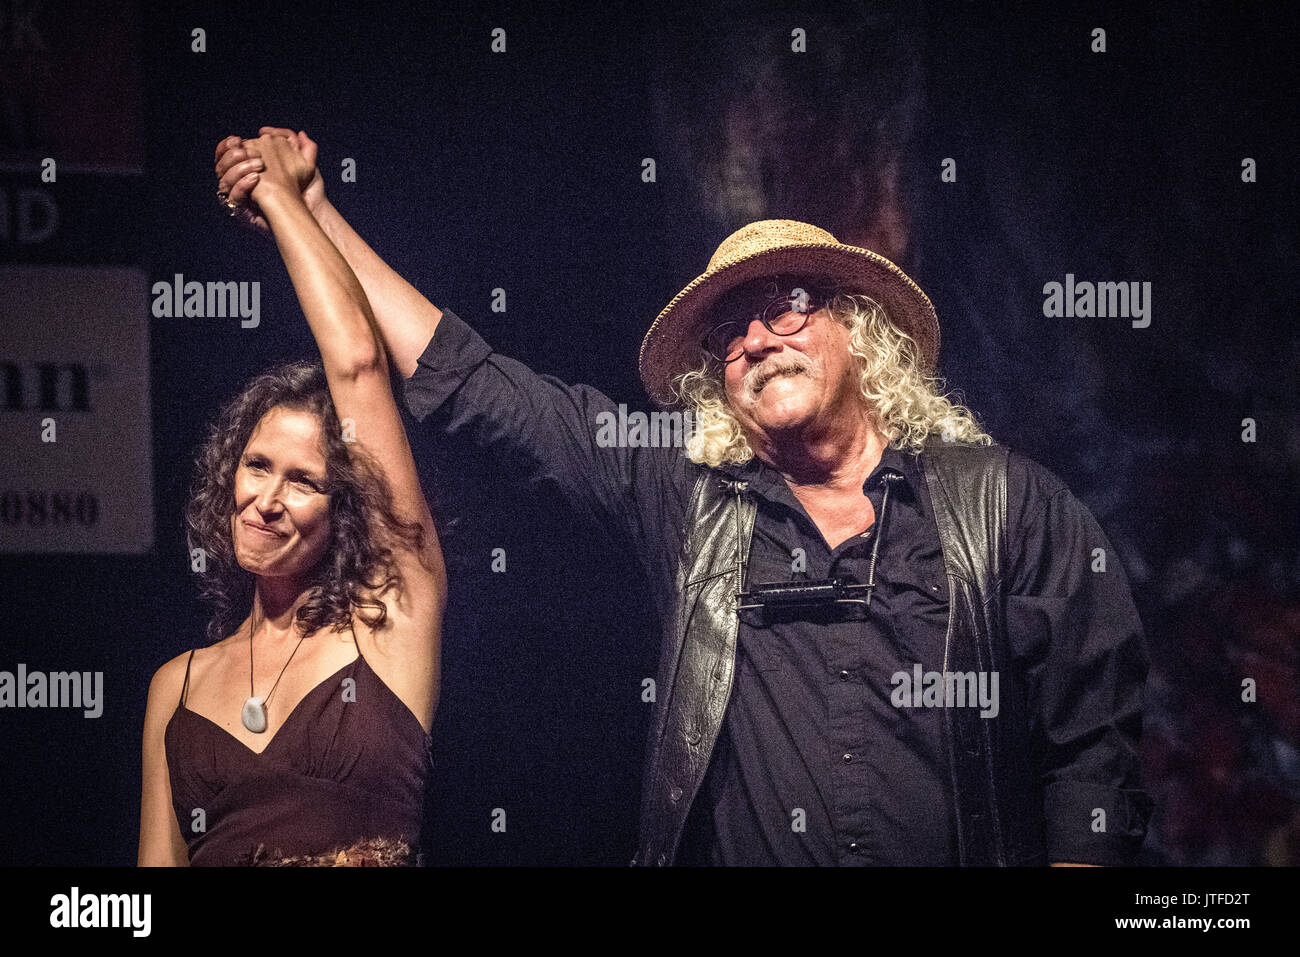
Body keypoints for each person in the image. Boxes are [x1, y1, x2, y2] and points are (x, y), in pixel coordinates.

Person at [212, 130, 1153, 866]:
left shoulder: (1007, 504)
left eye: (786, 304)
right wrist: (314, 212)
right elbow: (473, 382)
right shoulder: (686, 495)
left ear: (860, 333)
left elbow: (1093, 753)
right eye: (730, 330)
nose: (755, 337)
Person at [139, 134, 446, 866]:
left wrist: (280, 198)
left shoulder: (390, 618)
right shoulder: (175, 684)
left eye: (303, 480)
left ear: (346, 508)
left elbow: (360, 364)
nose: (266, 499)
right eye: (256, 466)